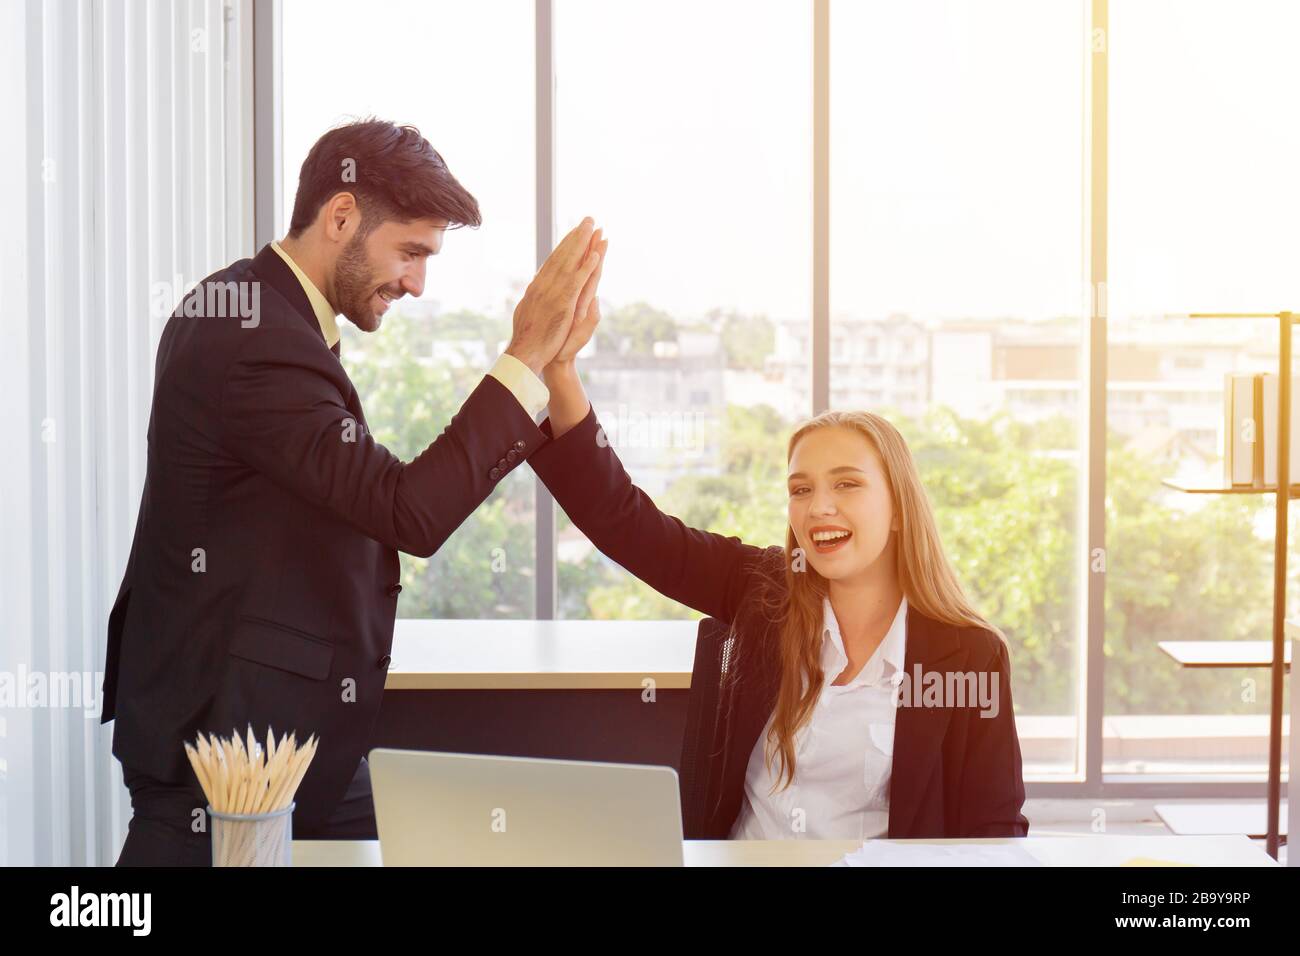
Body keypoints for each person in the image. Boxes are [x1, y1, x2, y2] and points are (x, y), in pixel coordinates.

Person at [102, 117, 605, 864]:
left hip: (294, 744)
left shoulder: (265, 317)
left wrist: (544, 372)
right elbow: (407, 508)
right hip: (222, 757)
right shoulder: (252, 336)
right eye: (410, 252)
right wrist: (527, 352)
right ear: (341, 217)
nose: (417, 283)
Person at [527, 254, 1029, 840]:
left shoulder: (968, 656)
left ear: (898, 509)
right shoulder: (762, 591)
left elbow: (993, 831)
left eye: (846, 483)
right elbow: (627, 525)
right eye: (801, 489)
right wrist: (560, 371)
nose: (819, 507)